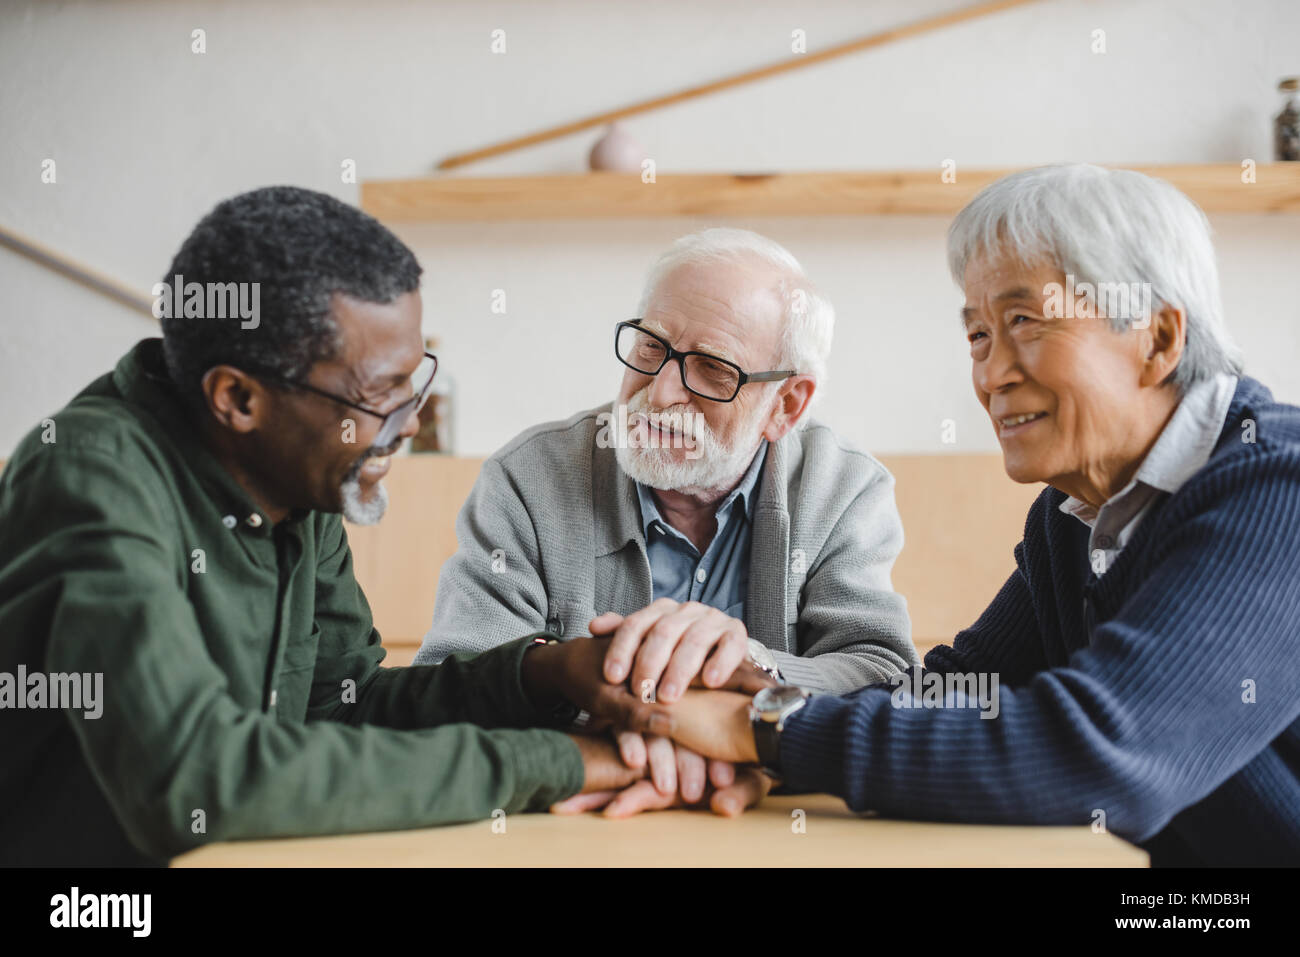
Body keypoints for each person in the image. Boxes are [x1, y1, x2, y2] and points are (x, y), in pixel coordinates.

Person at [0, 186, 712, 866]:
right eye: (379, 395)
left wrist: (543, 672)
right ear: (238, 398)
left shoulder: (295, 481)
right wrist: (553, 763)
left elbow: (342, 709)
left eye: (414, 379)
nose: (410, 422)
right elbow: (193, 776)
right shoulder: (91, 476)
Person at [650, 165, 1300, 866]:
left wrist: (766, 729)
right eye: (979, 335)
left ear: (1158, 339)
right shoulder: (1072, 516)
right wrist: (741, 691)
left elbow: (1101, 752)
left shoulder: (1277, 485)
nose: (991, 376)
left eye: (1024, 321)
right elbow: (955, 688)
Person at [417, 228, 916, 815]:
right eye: (651, 346)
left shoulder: (845, 489)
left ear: (785, 405)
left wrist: (744, 673)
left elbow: (882, 675)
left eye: (710, 368)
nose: (660, 392)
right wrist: (649, 734)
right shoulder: (527, 479)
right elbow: (450, 690)